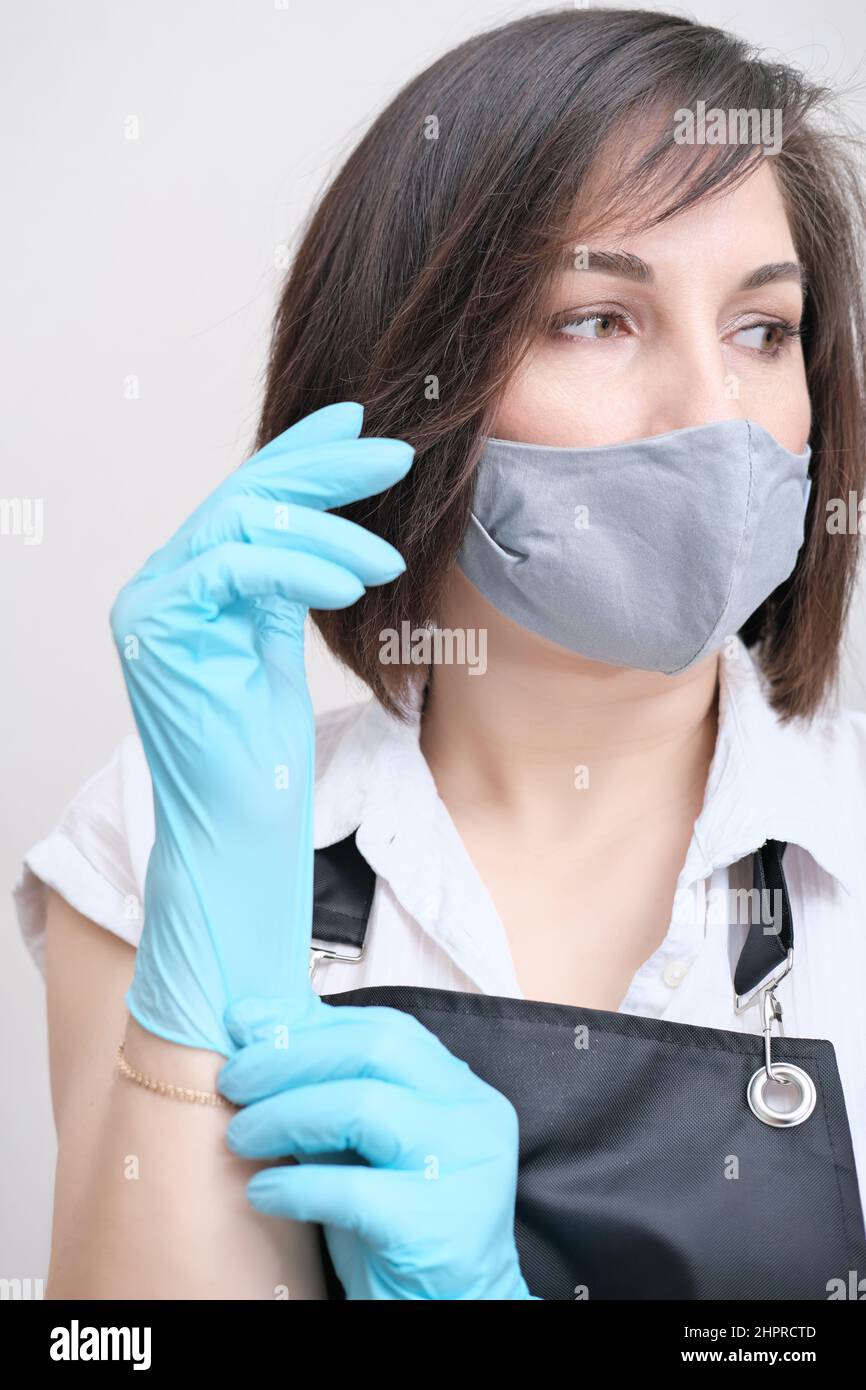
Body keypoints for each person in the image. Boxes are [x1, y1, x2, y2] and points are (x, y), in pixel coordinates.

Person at [14, 7, 866, 1299]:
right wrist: (199, 980)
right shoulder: (155, 835)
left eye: (761, 331)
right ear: (418, 378)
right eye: (597, 318)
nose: (715, 413)